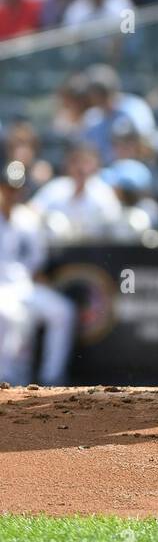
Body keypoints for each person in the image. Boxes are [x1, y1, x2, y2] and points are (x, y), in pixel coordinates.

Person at [0, 160, 77, 386]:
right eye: (8, 188)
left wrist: (39, 278)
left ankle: (52, 378)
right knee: (14, 317)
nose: (13, 193)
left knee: (63, 311)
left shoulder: (28, 218)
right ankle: (9, 380)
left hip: (25, 287)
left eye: (17, 188)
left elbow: (37, 261)